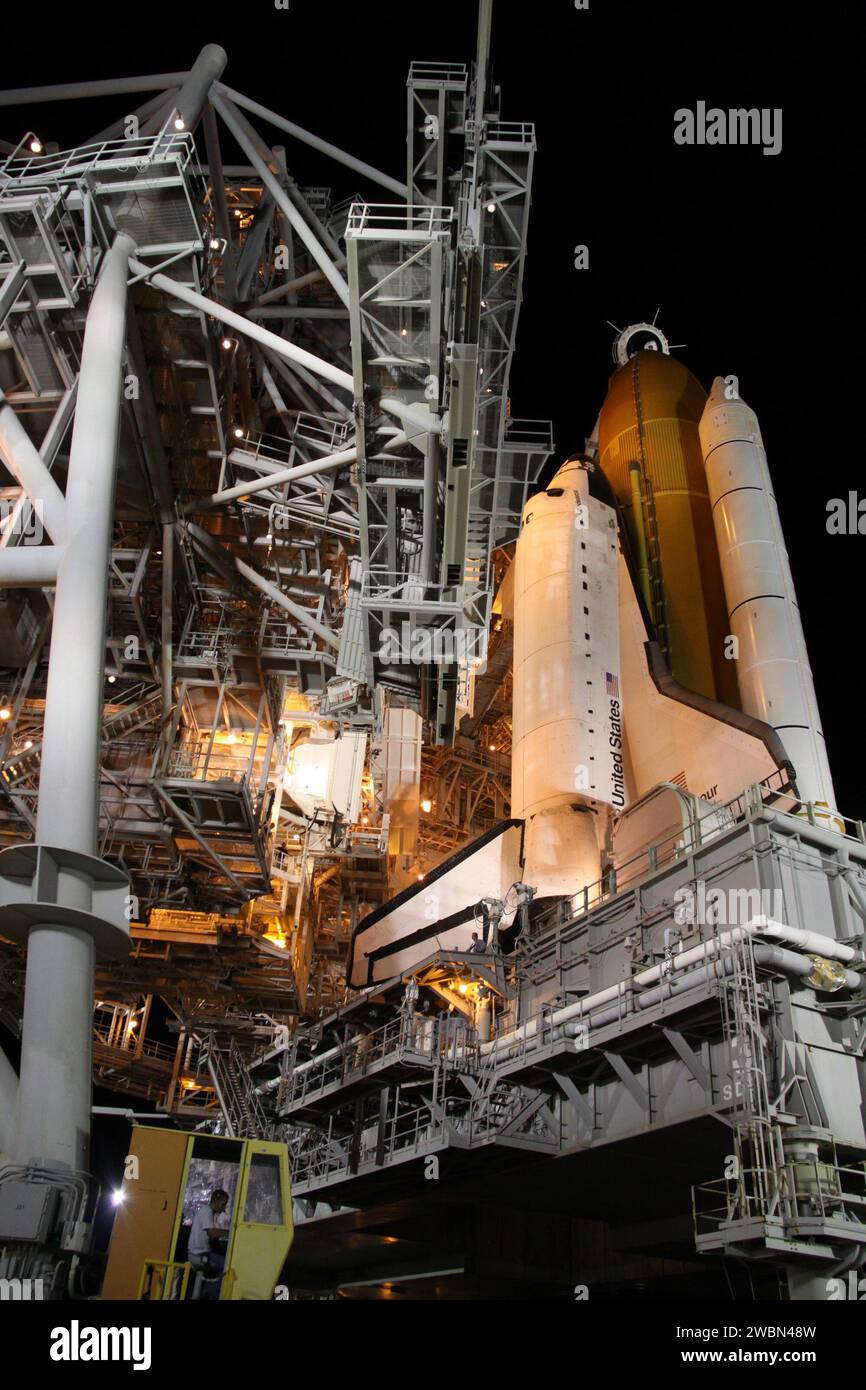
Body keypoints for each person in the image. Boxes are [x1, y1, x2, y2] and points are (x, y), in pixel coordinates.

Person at [188, 1188, 231, 1295]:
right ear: (216, 1202)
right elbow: (213, 1233)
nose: (224, 1207)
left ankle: (208, 1291)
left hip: (199, 1252)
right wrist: (231, 1233)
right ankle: (209, 1292)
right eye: (223, 1204)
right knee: (227, 1265)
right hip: (199, 1254)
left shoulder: (208, 1212)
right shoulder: (206, 1212)